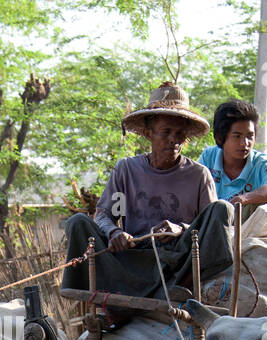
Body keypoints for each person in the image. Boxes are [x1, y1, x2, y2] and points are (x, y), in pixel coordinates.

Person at [61, 82, 235, 312]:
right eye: (166, 132)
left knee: (223, 209)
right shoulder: (127, 171)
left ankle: (179, 288)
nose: (173, 139)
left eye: (179, 134)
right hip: (131, 260)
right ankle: (108, 298)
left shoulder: (198, 175)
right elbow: (107, 215)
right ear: (148, 133)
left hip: (177, 263)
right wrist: (115, 232)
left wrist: (180, 228)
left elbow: (207, 226)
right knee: (78, 223)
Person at [198, 99, 267, 208]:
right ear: (220, 138)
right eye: (237, 136)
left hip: (249, 223)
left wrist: (243, 199)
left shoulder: (261, 162)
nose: (245, 143)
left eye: (249, 136)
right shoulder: (208, 157)